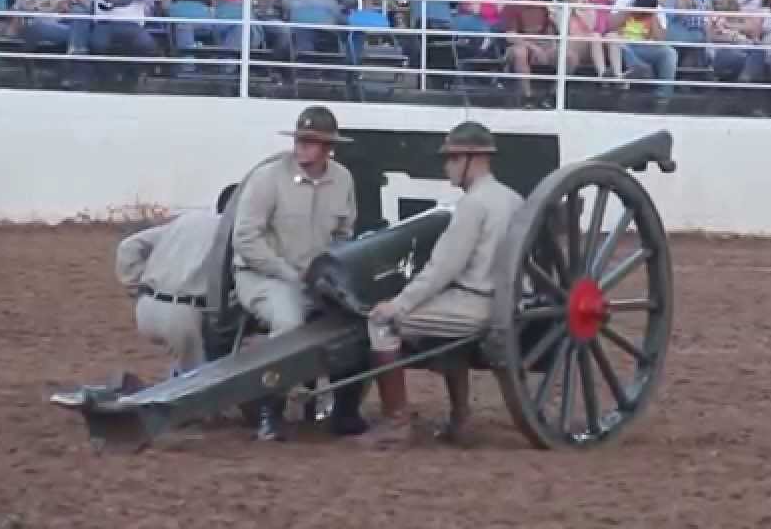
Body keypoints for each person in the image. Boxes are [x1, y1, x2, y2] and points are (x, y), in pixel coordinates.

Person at [362, 121, 524, 447]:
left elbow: (442, 270)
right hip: (504, 304)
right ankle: (460, 419)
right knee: (444, 325)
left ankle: (397, 423)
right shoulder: (513, 199)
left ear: (472, 159)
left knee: (380, 323)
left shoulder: (473, 205)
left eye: (451, 158)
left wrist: (400, 305)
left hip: (474, 303)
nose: (446, 166)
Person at [232, 105, 357, 440]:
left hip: (314, 280)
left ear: (329, 148)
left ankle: (345, 410)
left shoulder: (343, 179)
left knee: (358, 321)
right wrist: (287, 273)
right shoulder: (267, 179)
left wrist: (328, 273)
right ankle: (269, 413)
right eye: (300, 139)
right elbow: (245, 238)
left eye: (311, 141)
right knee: (289, 321)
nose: (302, 146)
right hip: (262, 276)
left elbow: (345, 235)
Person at [115, 184, 237, 379]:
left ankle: (176, 375)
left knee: (188, 366)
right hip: (182, 318)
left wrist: (134, 284)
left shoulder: (189, 220)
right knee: (197, 384)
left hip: (146, 310)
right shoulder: (236, 231)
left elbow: (129, 246)